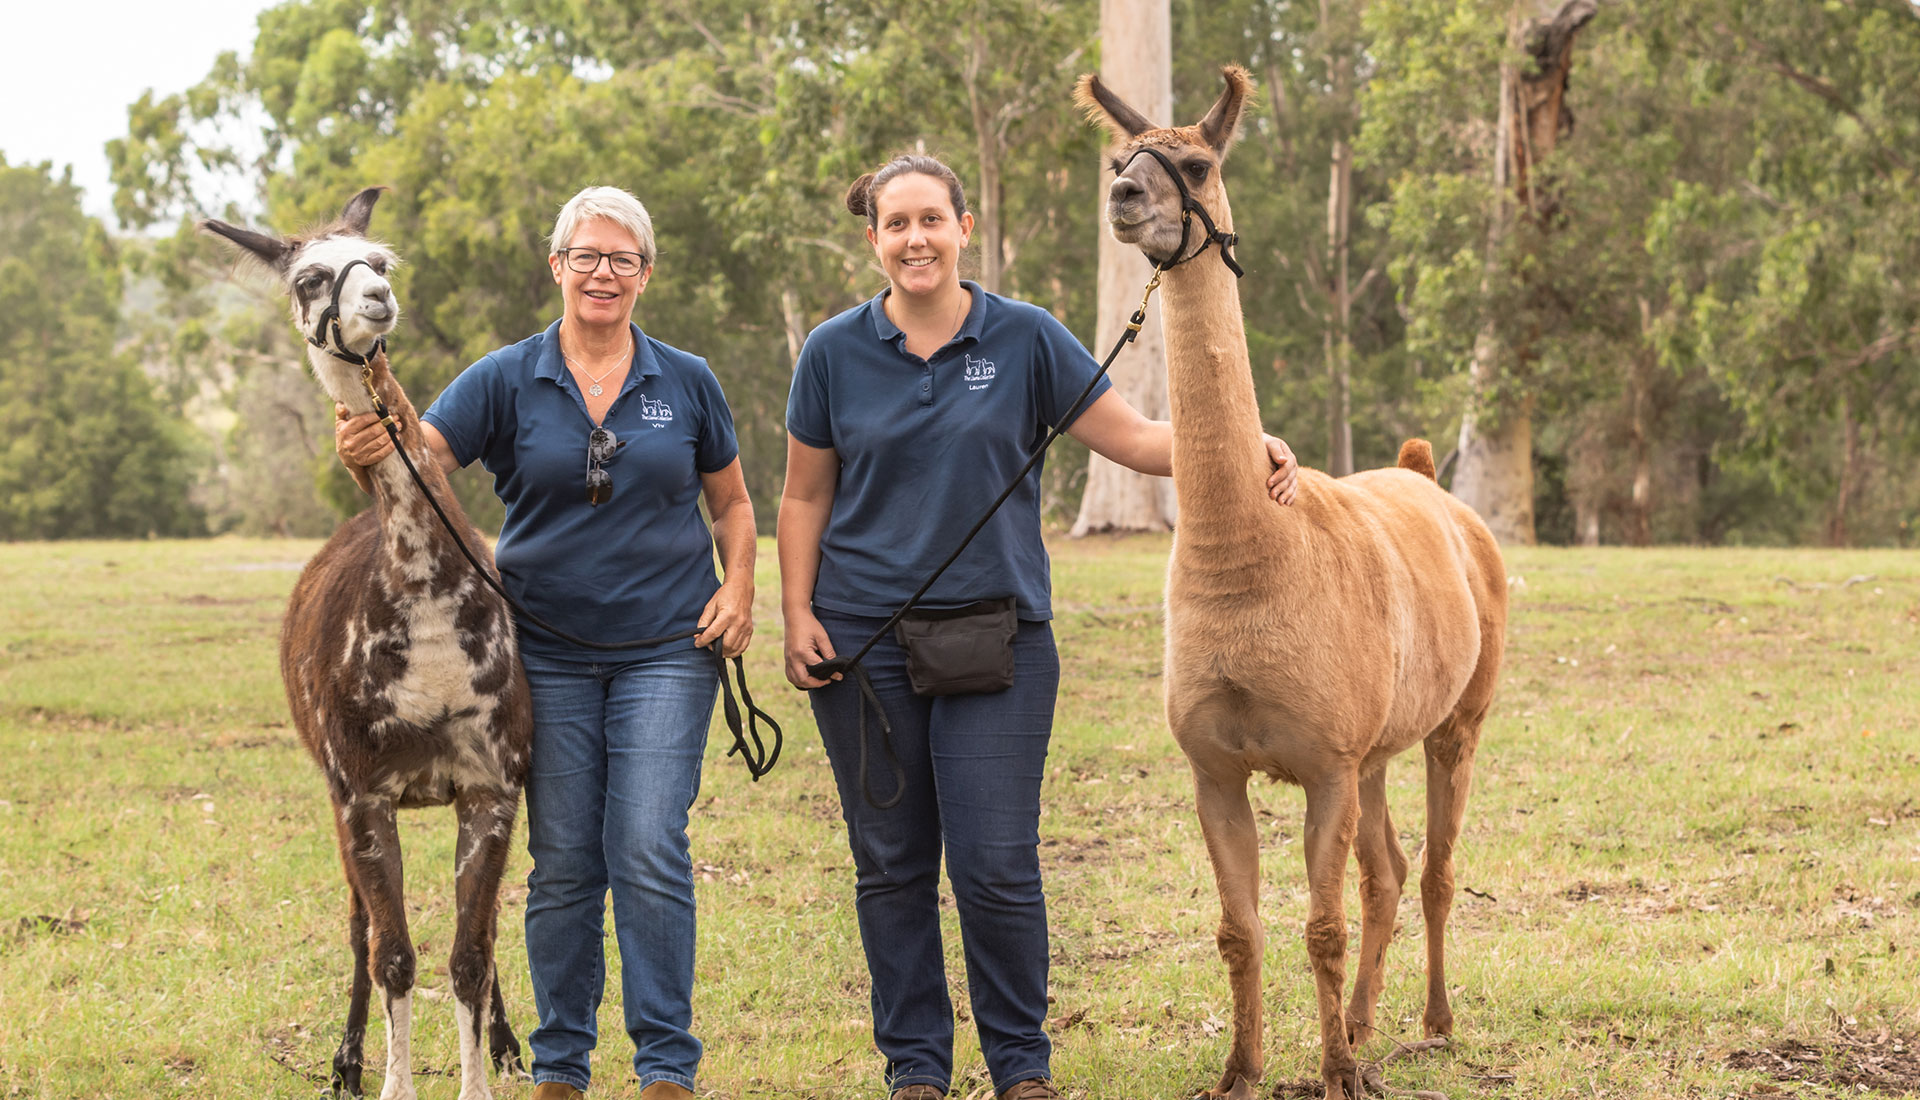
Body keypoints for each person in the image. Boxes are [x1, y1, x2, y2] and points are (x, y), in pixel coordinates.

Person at [776, 155, 1298, 1100]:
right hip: (862, 644)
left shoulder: (1023, 338)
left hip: (998, 638)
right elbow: (805, 494)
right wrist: (797, 611)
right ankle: (917, 1072)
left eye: (932, 220)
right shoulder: (832, 352)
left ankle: (1021, 1068)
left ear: (964, 227)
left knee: (996, 864)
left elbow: (1135, 439)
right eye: (896, 225)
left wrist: (1238, 437)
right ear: (874, 240)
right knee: (890, 867)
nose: (915, 239)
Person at [334, 185, 753, 1100]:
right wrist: (367, 429)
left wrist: (742, 584)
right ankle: (561, 1064)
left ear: (646, 273)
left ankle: (665, 1069)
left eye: (623, 259)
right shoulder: (508, 377)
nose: (604, 273)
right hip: (541, 655)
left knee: (645, 844)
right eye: (587, 256)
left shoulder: (685, 380)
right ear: (556, 265)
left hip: (665, 649)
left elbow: (732, 500)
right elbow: (423, 461)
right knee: (563, 858)